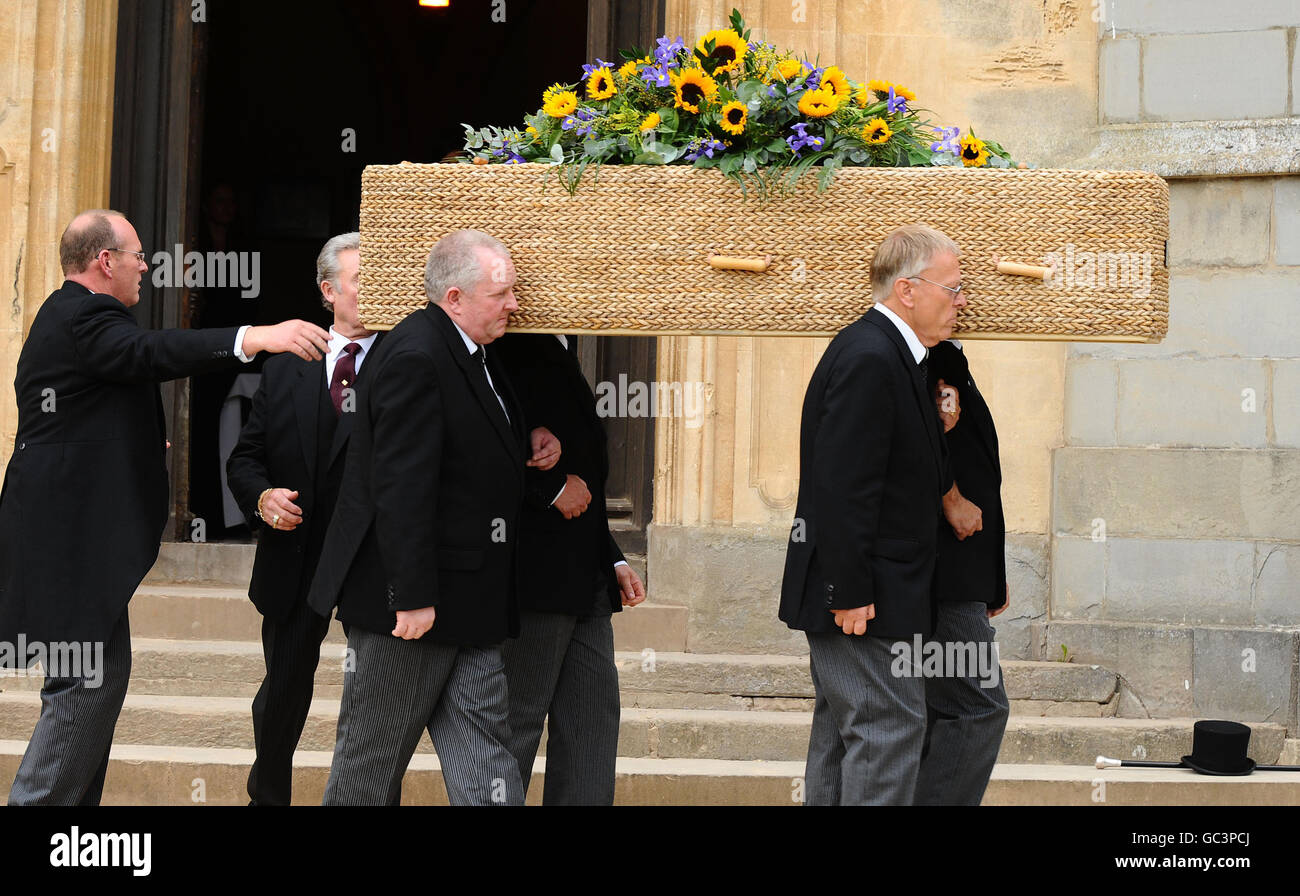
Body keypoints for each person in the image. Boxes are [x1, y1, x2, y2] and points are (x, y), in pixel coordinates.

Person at [0, 209, 330, 805]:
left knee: (96, 686)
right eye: (138, 256)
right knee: (84, 688)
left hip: (69, 543)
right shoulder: (85, 314)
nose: (147, 267)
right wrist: (255, 337)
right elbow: (150, 352)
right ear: (105, 261)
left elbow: (93, 407)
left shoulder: (70, 317)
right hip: (70, 545)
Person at [306, 229, 559, 806]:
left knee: (486, 762)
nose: (514, 304)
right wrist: (412, 595)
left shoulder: (471, 350)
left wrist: (527, 438)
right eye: (502, 294)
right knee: (369, 769)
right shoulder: (417, 356)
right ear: (455, 297)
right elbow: (401, 488)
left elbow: (467, 448)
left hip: (470, 605)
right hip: (410, 613)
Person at [778, 224, 964, 806]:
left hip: (879, 592)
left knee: (844, 738)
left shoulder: (896, 356)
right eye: (952, 289)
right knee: (887, 731)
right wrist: (848, 589)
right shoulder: (870, 356)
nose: (961, 302)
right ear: (908, 290)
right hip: (866, 600)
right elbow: (842, 486)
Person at [226, 232, 380, 805]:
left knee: (378, 704)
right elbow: (245, 459)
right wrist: (263, 498)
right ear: (328, 291)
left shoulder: (405, 360)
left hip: (375, 561)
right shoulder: (286, 367)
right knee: (282, 696)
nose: (371, 291)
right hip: (295, 558)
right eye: (360, 280)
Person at [493, 333, 647, 805]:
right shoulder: (500, 342)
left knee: (592, 724)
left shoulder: (565, 341)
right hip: (533, 576)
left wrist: (610, 556)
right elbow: (475, 449)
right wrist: (550, 488)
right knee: (516, 727)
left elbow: (586, 473)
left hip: (587, 580)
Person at [913, 338, 1010, 805]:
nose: (963, 304)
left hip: (959, 572)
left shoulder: (946, 361)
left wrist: (992, 576)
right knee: (978, 707)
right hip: (946, 575)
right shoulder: (937, 362)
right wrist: (951, 502)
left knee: (943, 710)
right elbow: (927, 445)